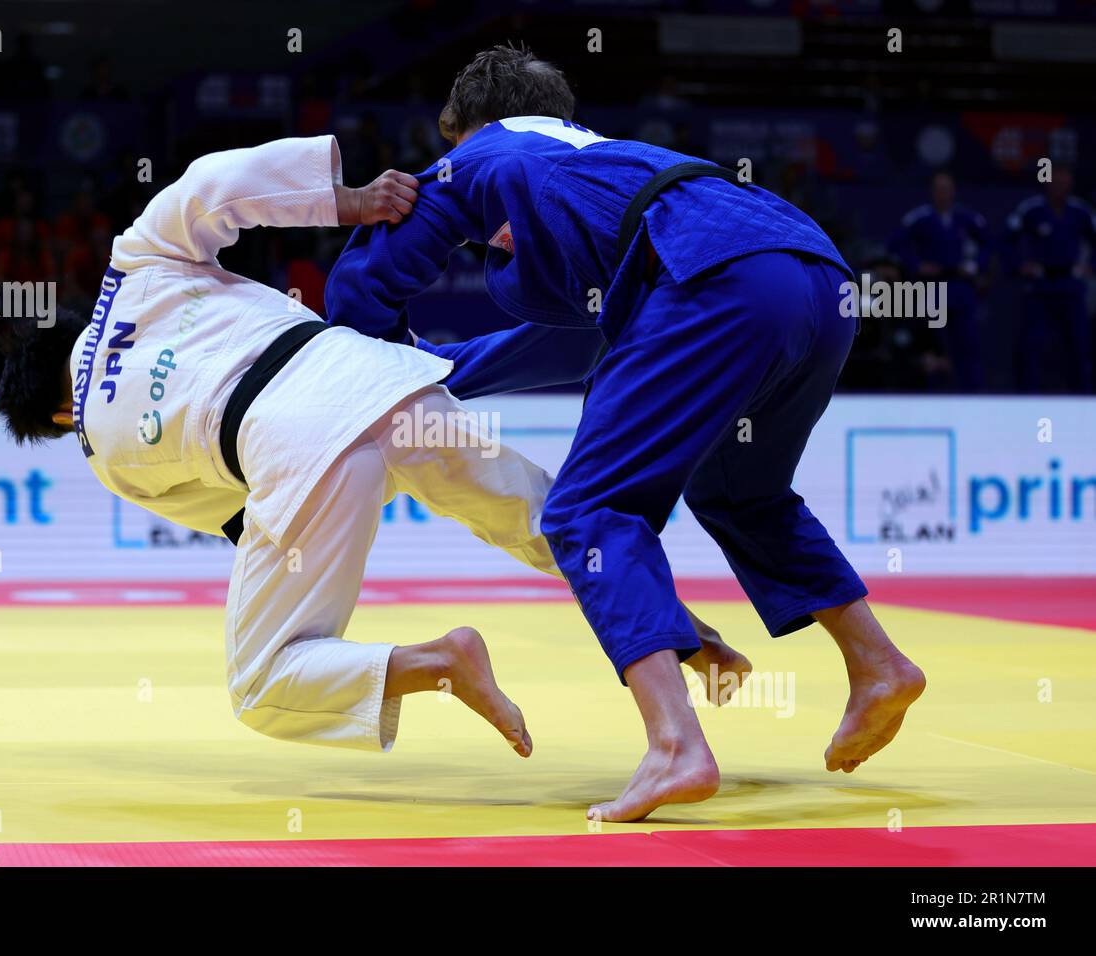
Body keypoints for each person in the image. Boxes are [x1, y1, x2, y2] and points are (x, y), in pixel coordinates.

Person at [0, 135, 746, 759]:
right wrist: (346, 200)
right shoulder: (133, 270)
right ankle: (675, 624)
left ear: (58, 416)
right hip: (376, 376)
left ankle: (439, 664)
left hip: (292, 445)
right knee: (547, 520)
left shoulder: (102, 452)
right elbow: (211, 184)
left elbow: (245, 515)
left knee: (262, 683)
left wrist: (344, 502)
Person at [325, 46, 925, 821]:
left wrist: (363, 369)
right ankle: (877, 664)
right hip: (810, 275)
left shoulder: (479, 158)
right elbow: (579, 341)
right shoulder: (602, 163)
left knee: (587, 512)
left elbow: (360, 285)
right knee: (741, 490)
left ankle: (676, 745)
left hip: (714, 286)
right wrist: (431, 373)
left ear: (466, 128)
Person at [888, 171, 989, 391]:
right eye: (939, 189)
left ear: (953, 191)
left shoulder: (967, 218)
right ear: (932, 192)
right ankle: (934, 394)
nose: (943, 194)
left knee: (968, 345)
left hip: (960, 288)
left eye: (947, 189)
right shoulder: (920, 218)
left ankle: (974, 395)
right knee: (933, 346)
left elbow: (988, 245)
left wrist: (975, 266)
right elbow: (896, 245)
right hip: (933, 289)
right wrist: (916, 265)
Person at [1006, 166, 1096, 393]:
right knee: (1031, 346)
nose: (1060, 186)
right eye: (1056, 180)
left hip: (1071, 285)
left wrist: (1091, 267)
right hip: (1041, 286)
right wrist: (1019, 266)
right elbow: (1007, 240)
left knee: (1079, 346)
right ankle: (1027, 397)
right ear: (1047, 182)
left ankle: (1083, 398)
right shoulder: (1032, 209)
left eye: (1065, 181)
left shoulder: (1081, 212)